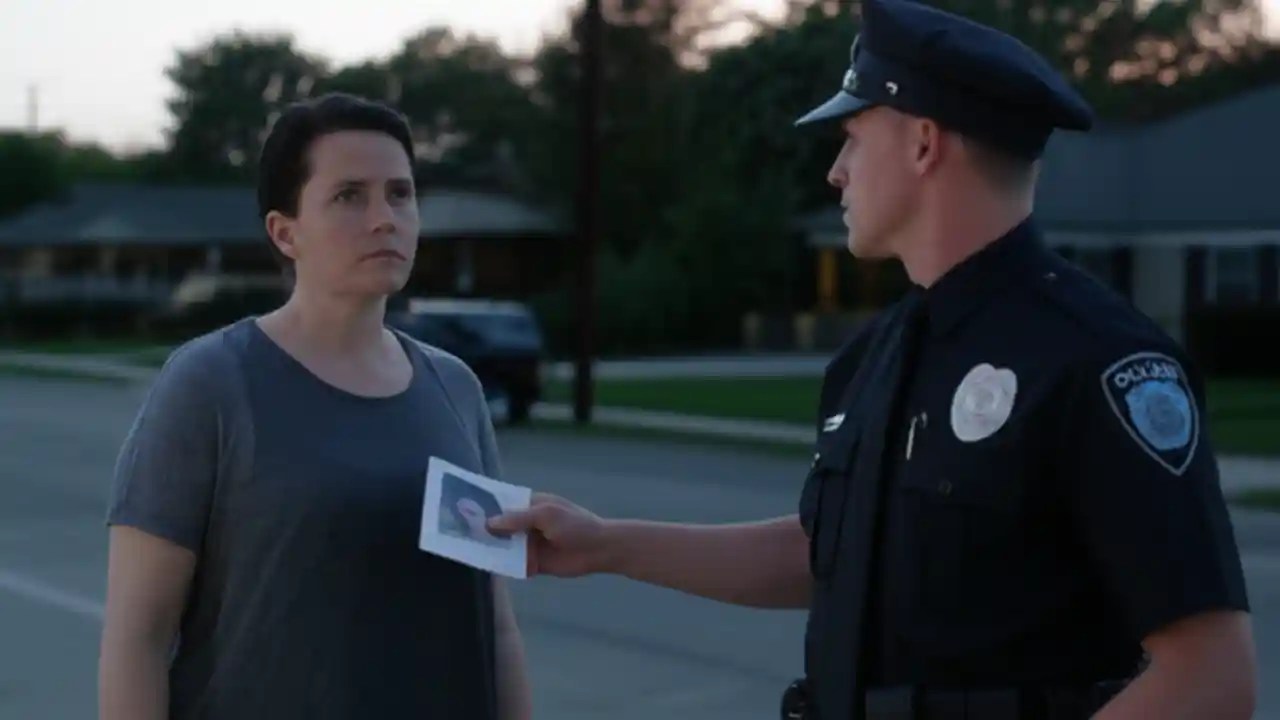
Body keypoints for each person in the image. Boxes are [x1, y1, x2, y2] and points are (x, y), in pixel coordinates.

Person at [487, 0, 1258, 718]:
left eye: (853, 137)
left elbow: (1210, 677)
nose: (836, 171)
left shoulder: (1100, 359)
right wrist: (608, 544)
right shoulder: (877, 355)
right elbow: (827, 555)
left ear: (923, 143)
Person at [98, 92, 532, 720]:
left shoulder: (454, 389)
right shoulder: (209, 381)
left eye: (400, 194)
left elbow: (496, 627)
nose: (384, 217)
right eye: (349, 195)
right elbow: (137, 638)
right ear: (285, 231)